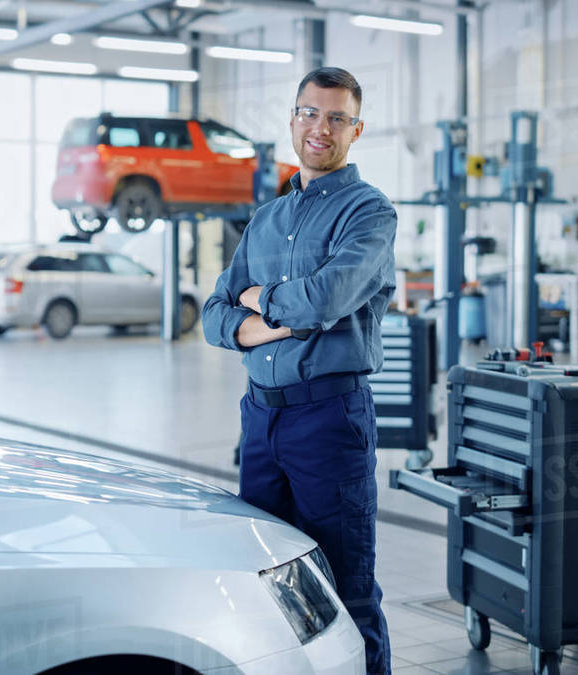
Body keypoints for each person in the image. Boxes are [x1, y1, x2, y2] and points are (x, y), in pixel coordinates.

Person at [202, 66, 396, 674]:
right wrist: (274, 312)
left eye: (337, 117)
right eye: (310, 113)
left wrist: (258, 300)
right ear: (292, 120)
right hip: (260, 421)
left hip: (329, 418)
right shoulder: (265, 219)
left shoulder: (369, 213)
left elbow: (326, 300)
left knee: (345, 584)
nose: (321, 127)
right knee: (267, 583)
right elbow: (212, 316)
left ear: (356, 130)